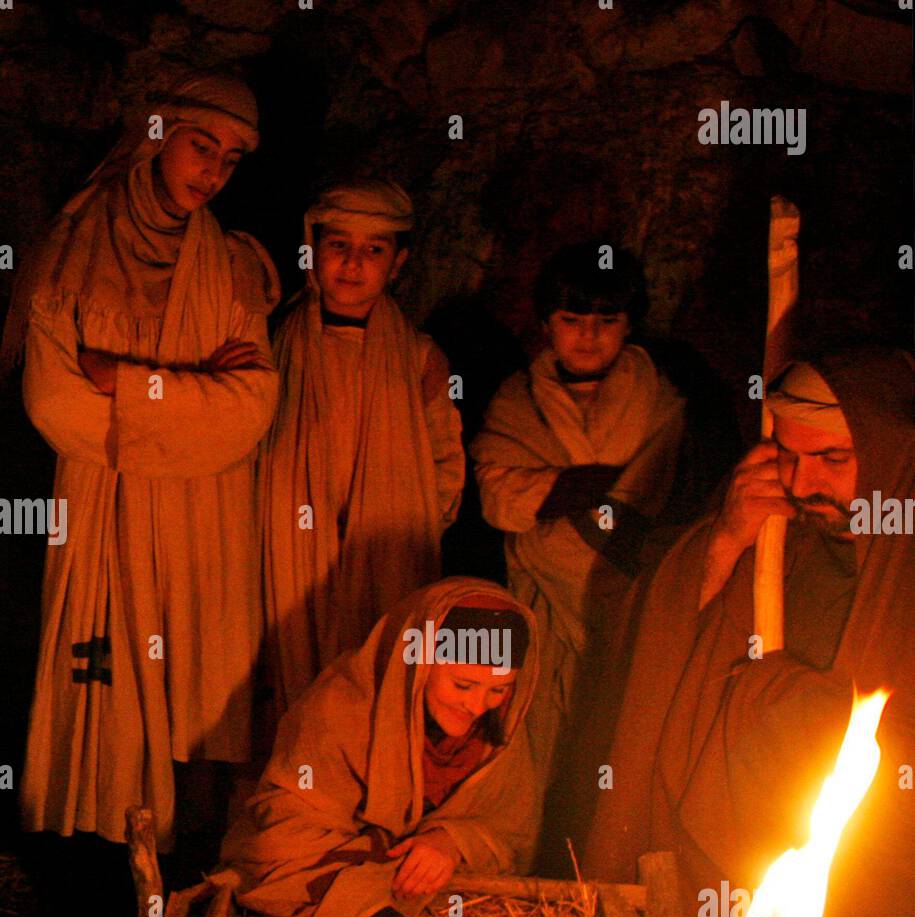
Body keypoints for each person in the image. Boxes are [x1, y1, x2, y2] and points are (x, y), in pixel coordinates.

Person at [583, 348, 915, 917]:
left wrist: (788, 712)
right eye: (787, 454)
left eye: (832, 460)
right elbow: (664, 657)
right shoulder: (782, 534)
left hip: (873, 858)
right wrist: (726, 542)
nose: (804, 483)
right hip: (741, 836)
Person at [2, 72, 279, 856]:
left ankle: (182, 870)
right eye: (202, 147)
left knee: (191, 692)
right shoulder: (72, 252)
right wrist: (195, 401)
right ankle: (88, 860)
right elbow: (56, 405)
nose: (213, 172)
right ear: (161, 135)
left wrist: (128, 381)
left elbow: (250, 411)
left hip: (201, 512)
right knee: (107, 680)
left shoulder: (231, 266)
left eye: (231, 159)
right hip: (101, 505)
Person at [215, 578, 548, 917]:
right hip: (338, 892)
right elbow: (277, 846)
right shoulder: (339, 710)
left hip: (437, 898)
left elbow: (515, 827)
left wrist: (452, 840)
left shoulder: (500, 730)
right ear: (420, 661)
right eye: (463, 685)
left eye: (498, 689)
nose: (478, 706)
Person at [473, 243, 689, 863]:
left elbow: (664, 499)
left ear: (630, 324)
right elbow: (496, 493)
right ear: (546, 325)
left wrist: (572, 500)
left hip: (627, 599)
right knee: (535, 738)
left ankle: (597, 866)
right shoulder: (516, 403)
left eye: (605, 321)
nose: (587, 337)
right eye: (571, 321)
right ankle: (522, 866)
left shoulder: (662, 404)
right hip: (543, 609)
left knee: (614, 734)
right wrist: (588, 490)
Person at [259, 179, 465, 720]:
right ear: (313, 250)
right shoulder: (276, 345)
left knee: (374, 698)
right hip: (289, 559)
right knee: (292, 695)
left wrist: (397, 524)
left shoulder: (419, 359)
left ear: (398, 263)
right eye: (338, 245)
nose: (353, 263)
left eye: (374, 250)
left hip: (384, 558)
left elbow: (445, 468)